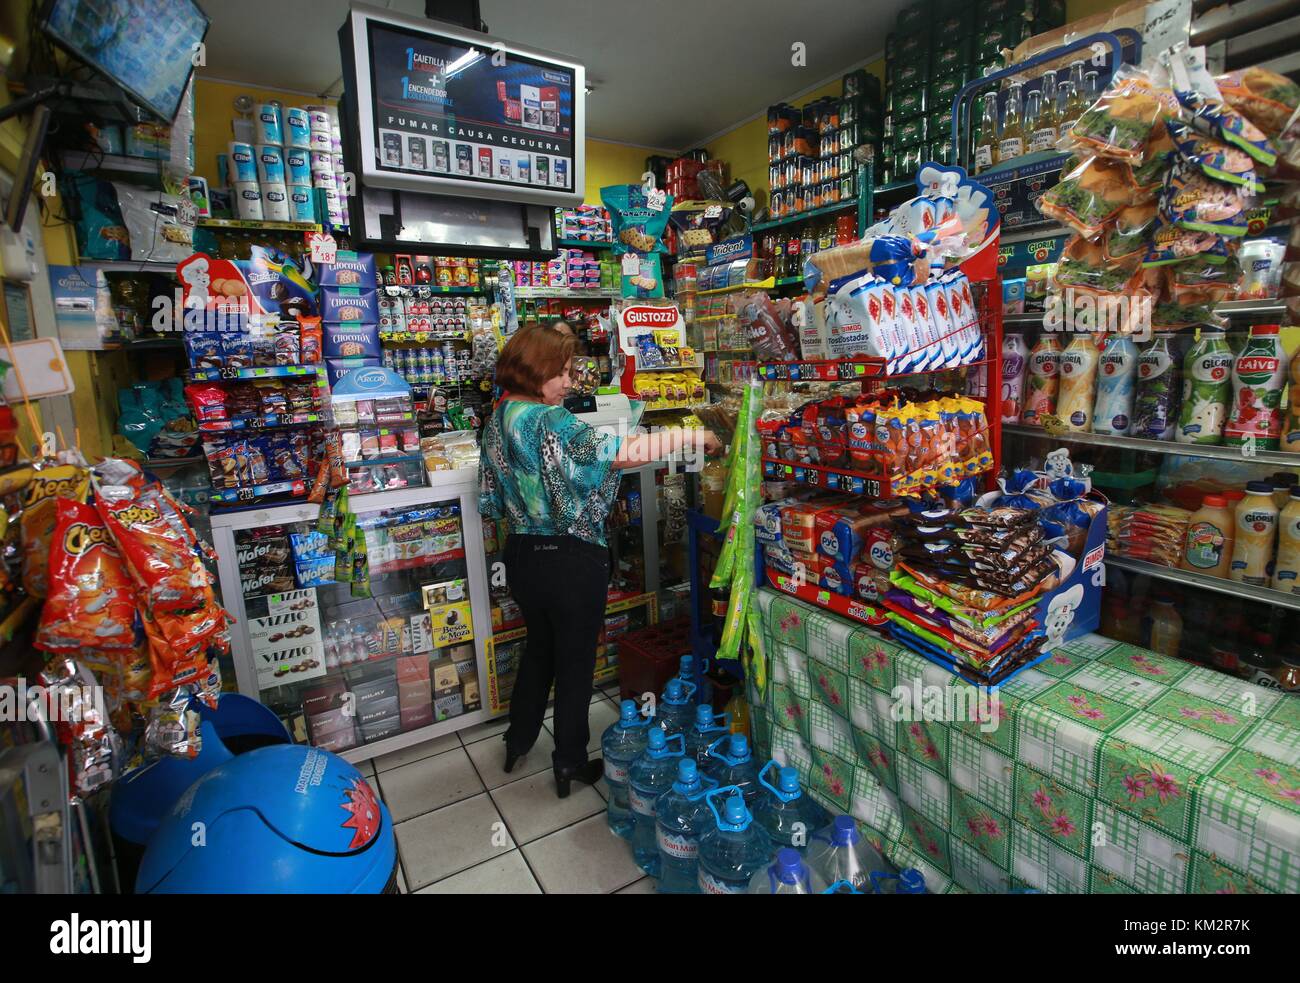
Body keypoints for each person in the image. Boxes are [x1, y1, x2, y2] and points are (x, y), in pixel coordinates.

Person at [480, 324, 720, 797]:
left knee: (539, 650)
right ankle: (569, 762)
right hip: (570, 558)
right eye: (562, 372)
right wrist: (691, 434)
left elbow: (490, 498)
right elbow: (623, 454)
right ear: (535, 368)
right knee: (574, 664)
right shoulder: (549, 420)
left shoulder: (498, 417)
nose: (569, 383)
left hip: (523, 555)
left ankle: (517, 740)